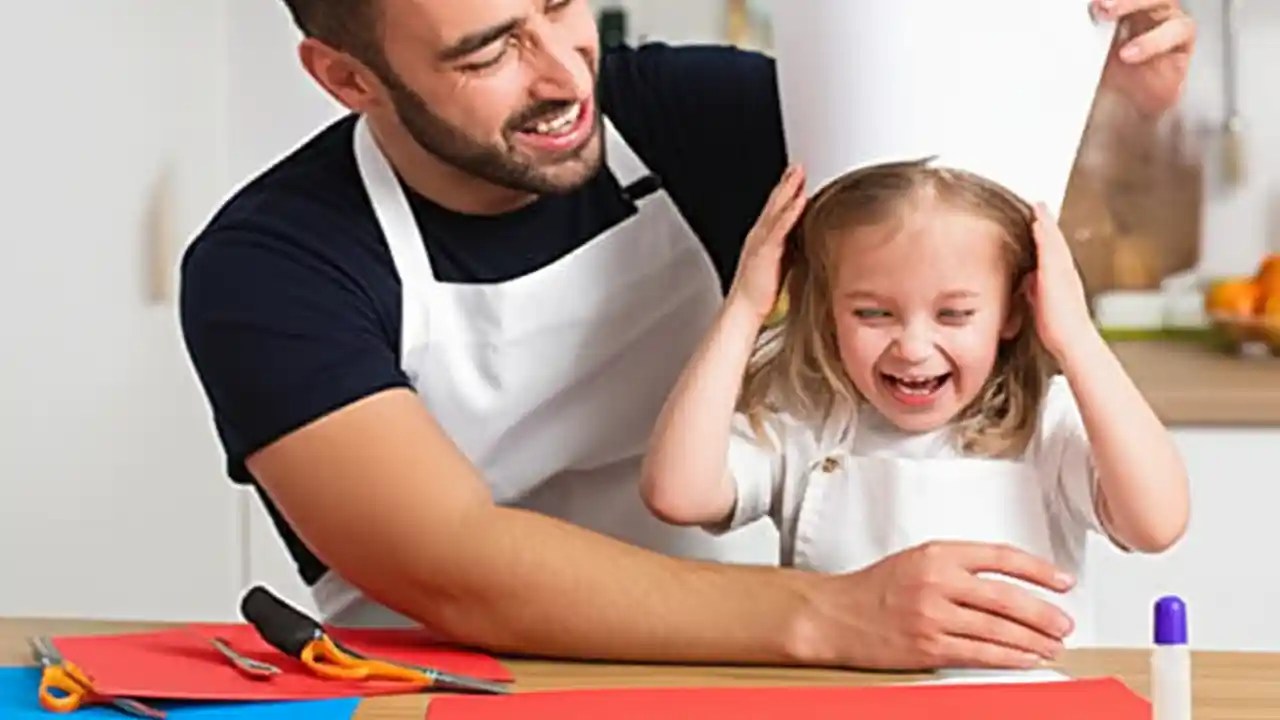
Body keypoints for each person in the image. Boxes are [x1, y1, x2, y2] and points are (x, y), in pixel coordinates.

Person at [178, 0, 1196, 670]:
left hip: (718, 663)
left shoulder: (689, 112)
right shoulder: (271, 267)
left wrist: (1105, 92)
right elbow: (456, 566)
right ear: (345, 77)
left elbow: (968, 229)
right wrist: (834, 615)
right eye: (490, 47)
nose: (563, 74)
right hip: (442, 683)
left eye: (561, 6)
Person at [639, 159, 1191, 648]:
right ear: (827, 309)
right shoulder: (807, 419)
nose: (913, 347)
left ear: (1016, 312)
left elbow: (1156, 523)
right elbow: (677, 494)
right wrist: (745, 304)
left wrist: (1076, 336)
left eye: (954, 315)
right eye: (873, 313)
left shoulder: (1046, 424)